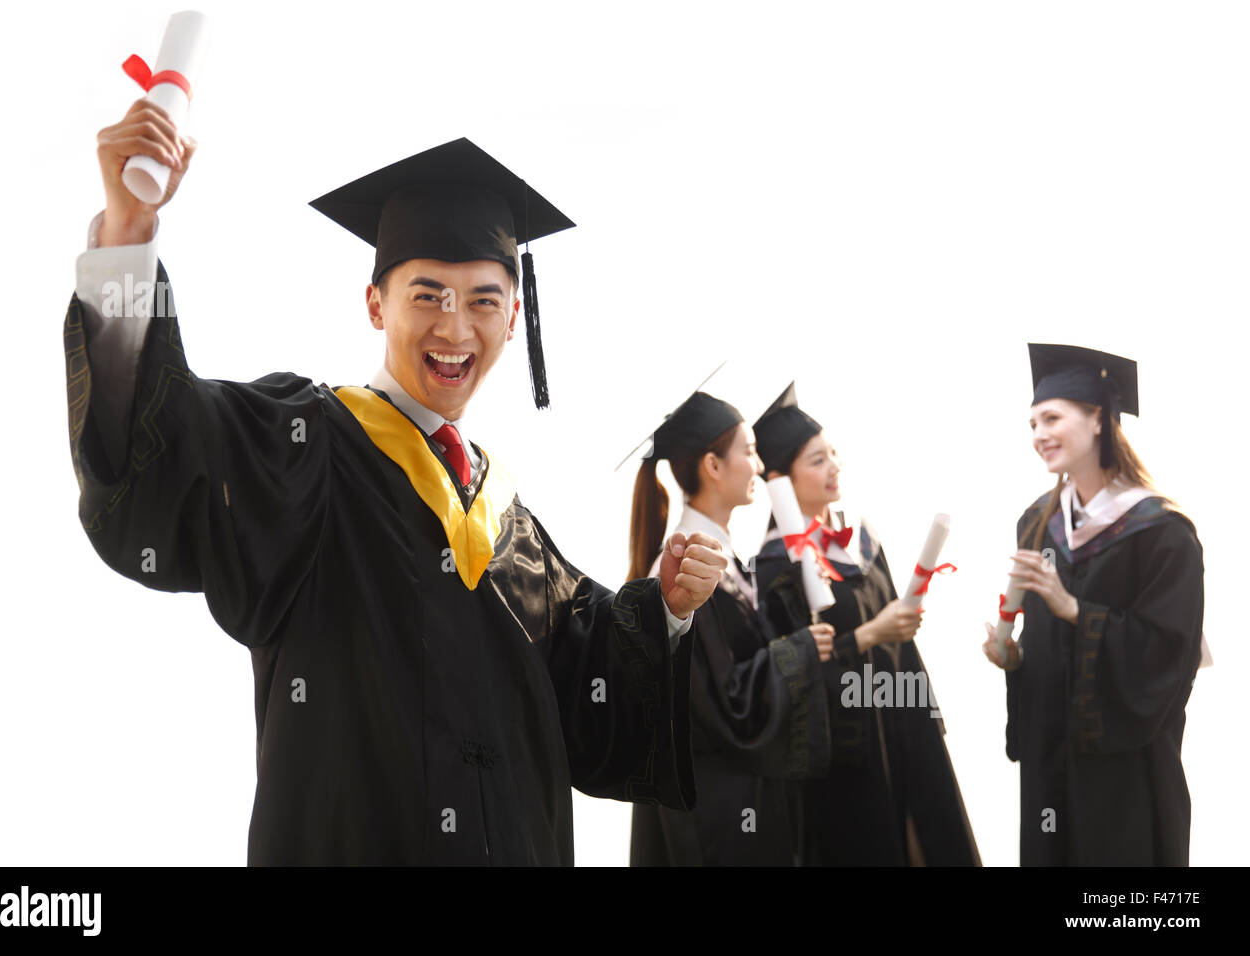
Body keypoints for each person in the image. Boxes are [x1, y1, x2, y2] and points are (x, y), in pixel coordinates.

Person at [64, 99, 728, 865]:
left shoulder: (514, 527)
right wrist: (127, 232)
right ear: (375, 303)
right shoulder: (305, 444)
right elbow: (166, 448)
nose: (455, 328)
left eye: (484, 300)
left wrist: (668, 612)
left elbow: (594, 703)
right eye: (427, 296)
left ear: (514, 320)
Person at [983, 344, 1204, 866]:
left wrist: (1075, 610)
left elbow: (1170, 660)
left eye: (1052, 418)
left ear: (1099, 419)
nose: (1039, 435)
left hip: (1126, 772)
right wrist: (1015, 660)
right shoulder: (1038, 523)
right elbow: (1045, 653)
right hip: (1050, 764)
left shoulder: (1164, 534)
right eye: (1033, 422)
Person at [753, 384, 979, 865]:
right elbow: (794, 676)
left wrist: (926, 713)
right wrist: (871, 633)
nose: (834, 466)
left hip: (902, 720)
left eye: (832, 453)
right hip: (847, 753)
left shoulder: (861, 541)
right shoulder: (775, 570)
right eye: (817, 460)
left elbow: (903, 643)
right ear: (779, 481)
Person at [626, 391, 831, 866]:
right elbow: (724, 703)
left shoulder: (724, 561)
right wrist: (799, 650)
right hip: (715, 816)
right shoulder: (682, 575)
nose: (760, 467)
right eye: (750, 451)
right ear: (714, 466)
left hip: (744, 802)